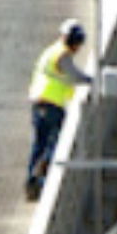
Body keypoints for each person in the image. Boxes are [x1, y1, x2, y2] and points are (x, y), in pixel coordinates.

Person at [25, 19, 93, 201]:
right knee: (55, 142)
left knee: (39, 143)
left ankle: (31, 181)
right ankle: (41, 174)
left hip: (39, 102)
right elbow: (74, 76)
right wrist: (92, 80)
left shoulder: (53, 51)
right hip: (51, 104)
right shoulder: (62, 55)